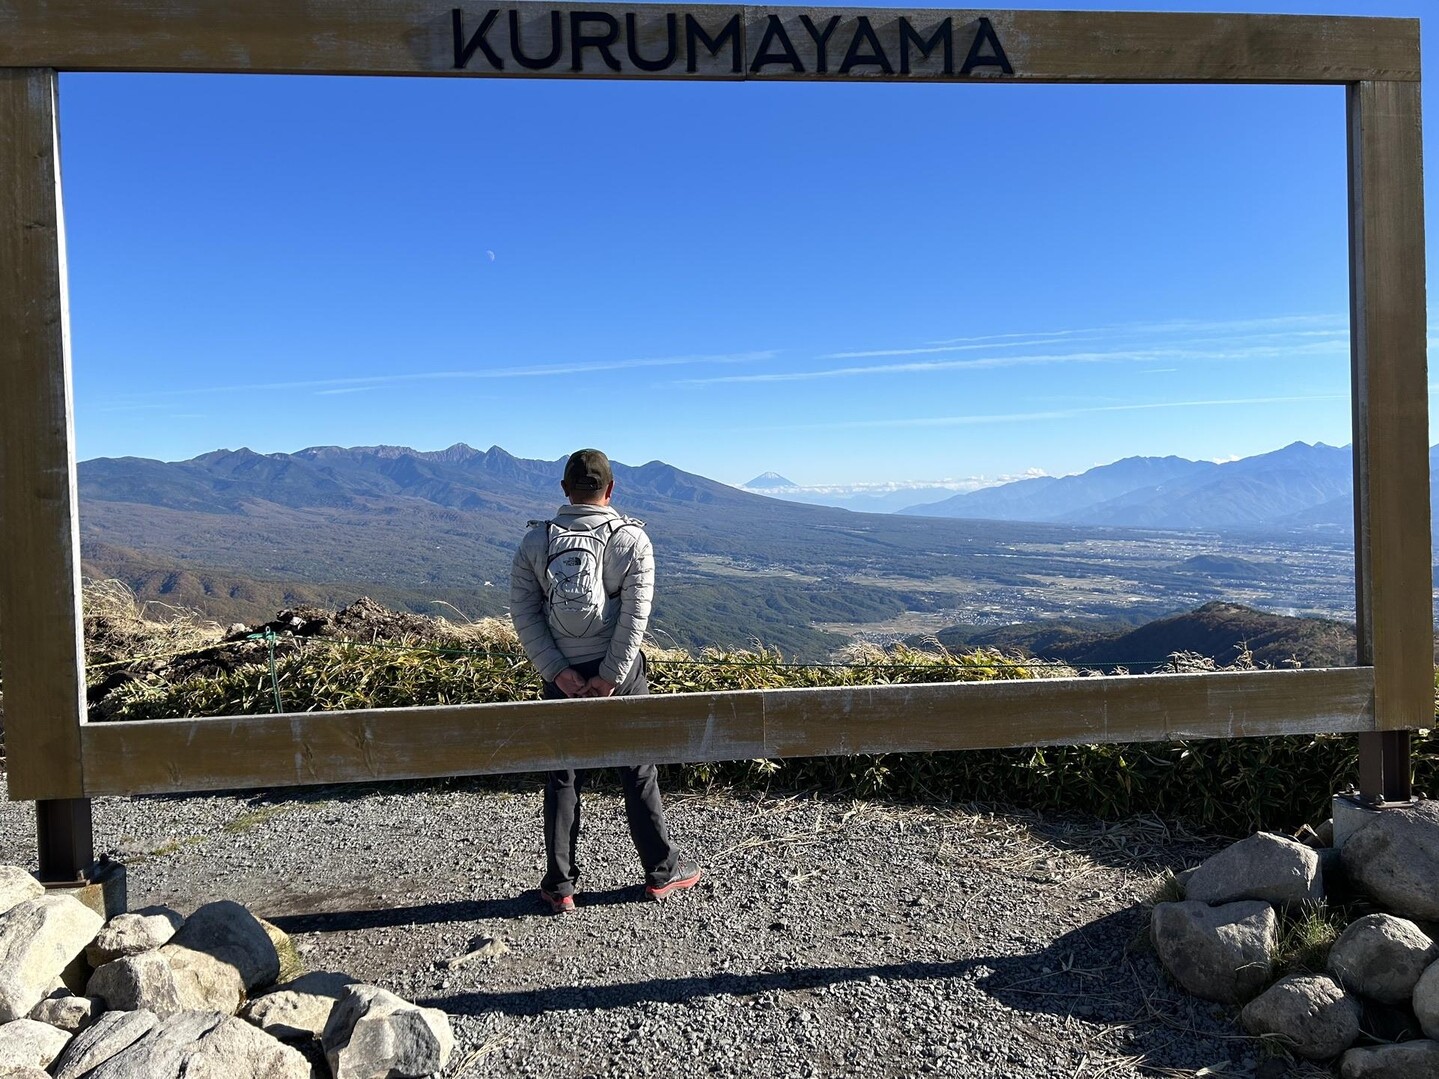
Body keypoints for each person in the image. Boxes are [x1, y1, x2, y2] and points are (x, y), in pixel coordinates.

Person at [510, 448, 702, 913]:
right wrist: (611, 677)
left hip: (562, 676)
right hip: (620, 675)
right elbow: (635, 618)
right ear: (610, 490)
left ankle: (560, 885)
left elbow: (524, 613)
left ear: (564, 490)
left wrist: (558, 671)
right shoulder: (631, 539)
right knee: (637, 770)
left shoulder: (536, 542)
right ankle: (660, 871)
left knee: (562, 776)